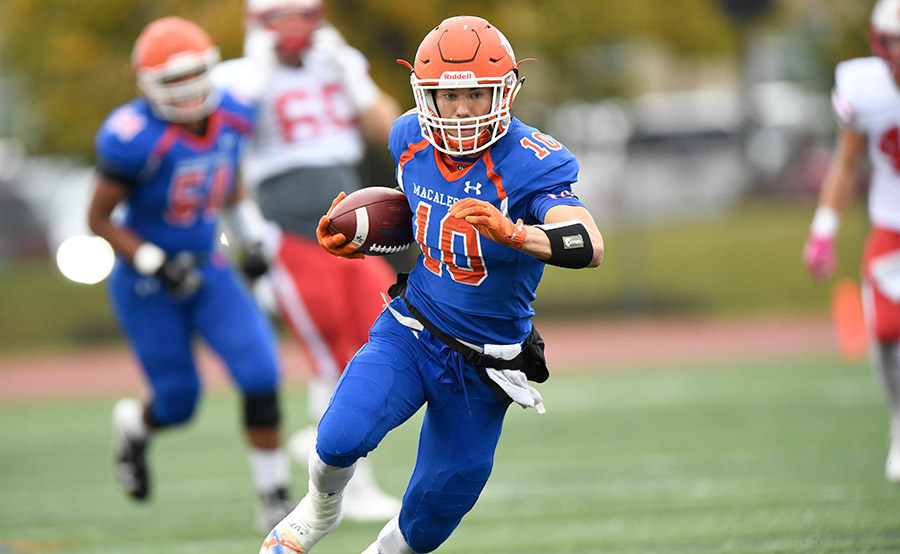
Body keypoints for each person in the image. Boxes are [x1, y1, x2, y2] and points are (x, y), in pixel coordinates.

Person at [259, 15, 604, 554]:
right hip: (414, 328)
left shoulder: (532, 161)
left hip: (487, 362)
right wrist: (364, 238)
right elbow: (420, 217)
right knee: (340, 437)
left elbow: (587, 244)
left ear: (506, 92)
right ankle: (320, 509)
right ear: (427, 95)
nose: (462, 110)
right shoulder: (407, 137)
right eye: (448, 95)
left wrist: (517, 233)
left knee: (432, 515)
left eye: (477, 95)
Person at [87, 16, 293, 532]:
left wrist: (248, 235)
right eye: (171, 81)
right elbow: (96, 219)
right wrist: (156, 261)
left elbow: (229, 181)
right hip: (146, 281)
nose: (186, 91)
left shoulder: (235, 114)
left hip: (208, 267)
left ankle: (274, 496)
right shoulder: (133, 137)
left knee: (261, 374)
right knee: (178, 403)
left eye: (192, 76)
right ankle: (135, 425)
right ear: (149, 86)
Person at [211, 0, 403, 521]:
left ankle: (327, 456)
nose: (296, 29)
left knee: (385, 339)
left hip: (350, 229)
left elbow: (388, 131)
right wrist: (249, 235)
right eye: (283, 17)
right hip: (290, 234)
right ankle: (349, 482)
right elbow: (223, 158)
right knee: (330, 359)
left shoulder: (337, 61)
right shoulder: (238, 78)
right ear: (260, 23)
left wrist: (353, 78)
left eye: (305, 15)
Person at [804, 0, 900, 483]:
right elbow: (846, 162)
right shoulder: (866, 87)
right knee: (883, 333)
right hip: (891, 223)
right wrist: (823, 230)